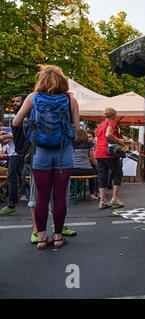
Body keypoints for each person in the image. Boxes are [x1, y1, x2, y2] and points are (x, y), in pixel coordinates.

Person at [13, 65, 80, 250]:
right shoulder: (70, 100)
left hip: (40, 152)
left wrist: (31, 125)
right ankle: (58, 237)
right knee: (59, 196)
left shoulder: (34, 98)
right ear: (62, 80)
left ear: (41, 80)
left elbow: (15, 122)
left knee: (42, 196)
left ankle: (42, 238)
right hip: (63, 152)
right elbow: (76, 131)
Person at [0, 93, 29, 216]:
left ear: (24, 103)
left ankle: (12, 204)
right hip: (14, 152)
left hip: (19, 151)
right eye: (14, 101)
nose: (14, 104)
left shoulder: (26, 117)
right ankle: (13, 203)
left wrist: (6, 136)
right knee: (17, 177)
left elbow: (22, 135)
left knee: (15, 177)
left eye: (18, 101)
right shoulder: (19, 116)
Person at [95, 107, 125, 209]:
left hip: (99, 152)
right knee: (118, 173)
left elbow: (100, 137)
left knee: (102, 176)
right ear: (113, 115)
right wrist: (119, 141)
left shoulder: (100, 124)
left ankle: (102, 201)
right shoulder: (111, 122)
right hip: (108, 152)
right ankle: (114, 198)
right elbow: (108, 135)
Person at [72, 128, 98, 199]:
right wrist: (96, 165)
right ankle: (92, 194)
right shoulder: (89, 144)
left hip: (73, 170)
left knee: (77, 177)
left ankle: (76, 193)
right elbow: (93, 158)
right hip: (86, 169)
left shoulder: (72, 144)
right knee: (94, 173)